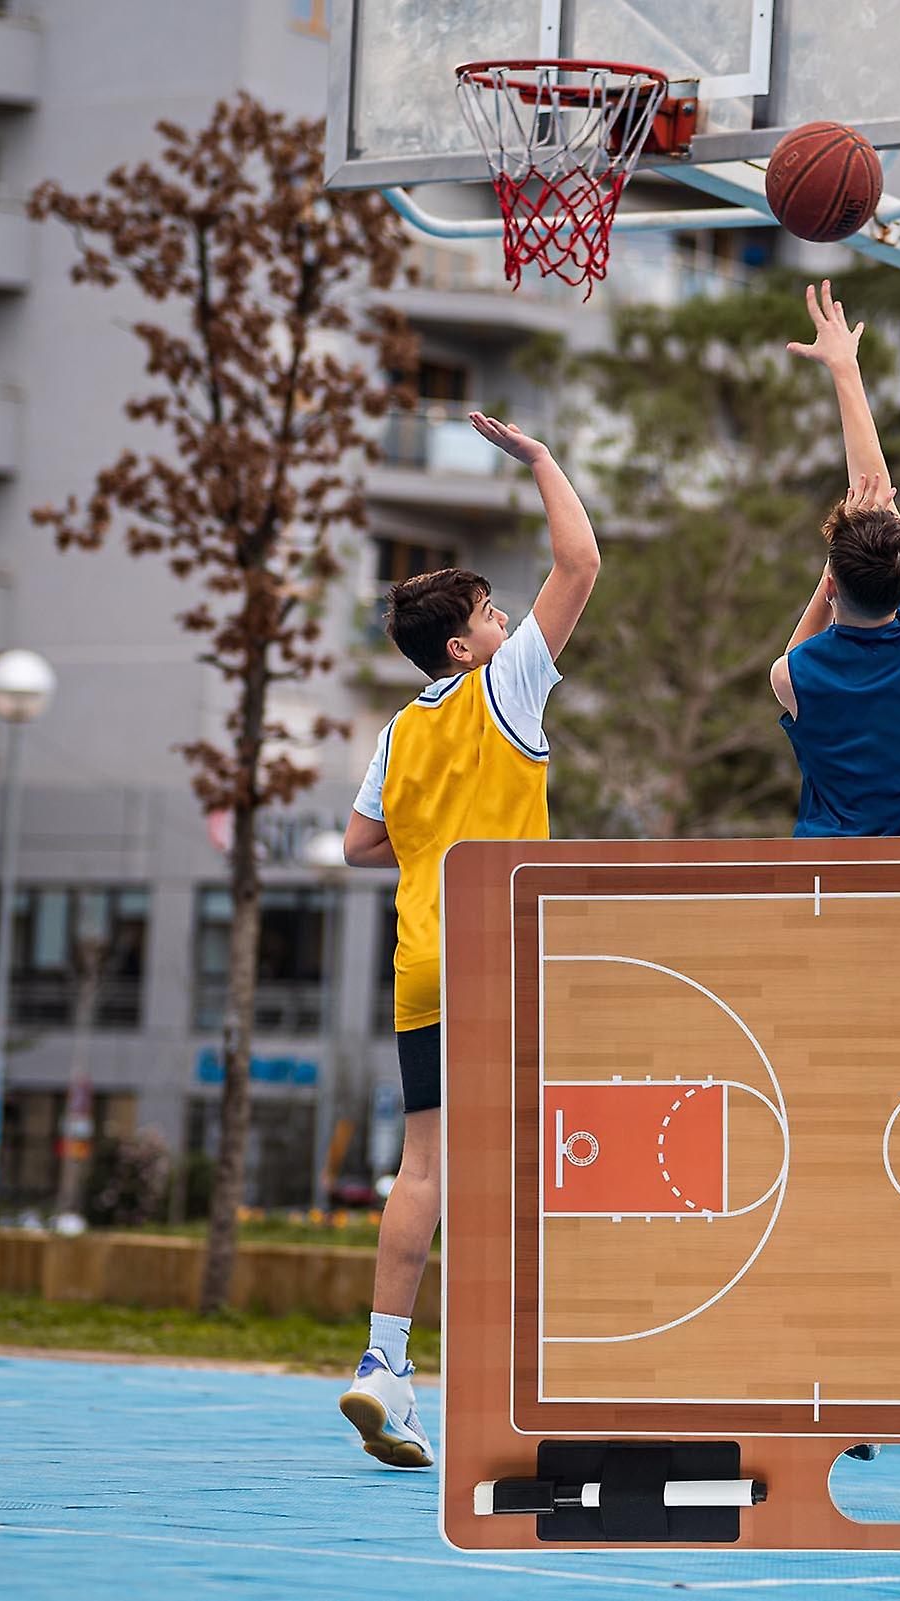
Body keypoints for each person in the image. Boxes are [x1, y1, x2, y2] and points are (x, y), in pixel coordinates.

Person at [337, 413, 600, 1467]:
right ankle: (549, 1370)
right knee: (552, 1160)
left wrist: (430, 847)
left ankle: (383, 1363)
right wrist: (539, 459)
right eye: (493, 614)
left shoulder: (401, 728)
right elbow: (580, 562)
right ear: (464, 645)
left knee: (425, 1166)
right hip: (504, 959)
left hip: (422, 963)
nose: (507, 621)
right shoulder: (509, 683)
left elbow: (360, 844)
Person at [771, 281, 900, 837]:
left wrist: (842, 369)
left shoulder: (795, 676)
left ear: (831, 584)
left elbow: (798, 654)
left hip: (830, 873)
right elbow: (877, 491)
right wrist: (846, 369)